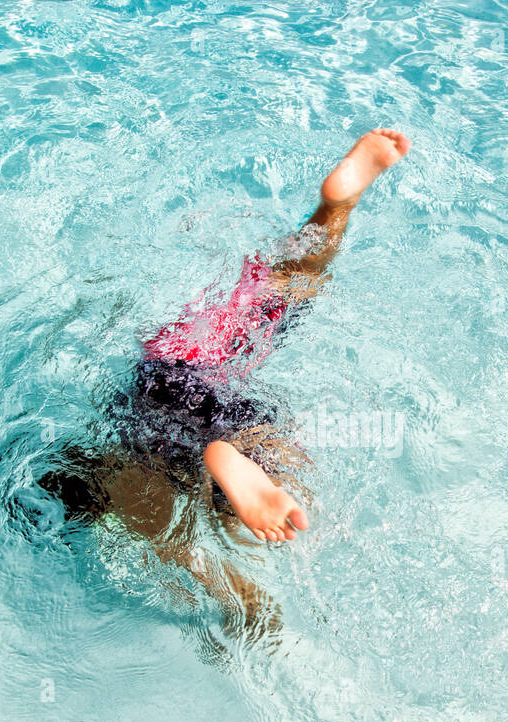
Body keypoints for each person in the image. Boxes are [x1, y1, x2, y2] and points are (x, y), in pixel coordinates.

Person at [39, 129, 411, 638]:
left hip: (166, 427)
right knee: (289, 280)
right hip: (171, 367)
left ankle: (247, 468)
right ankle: (335, 209)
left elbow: (192, 561)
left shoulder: (117, 488)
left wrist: (248, 604)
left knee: (181, 501)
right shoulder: (160, 364)